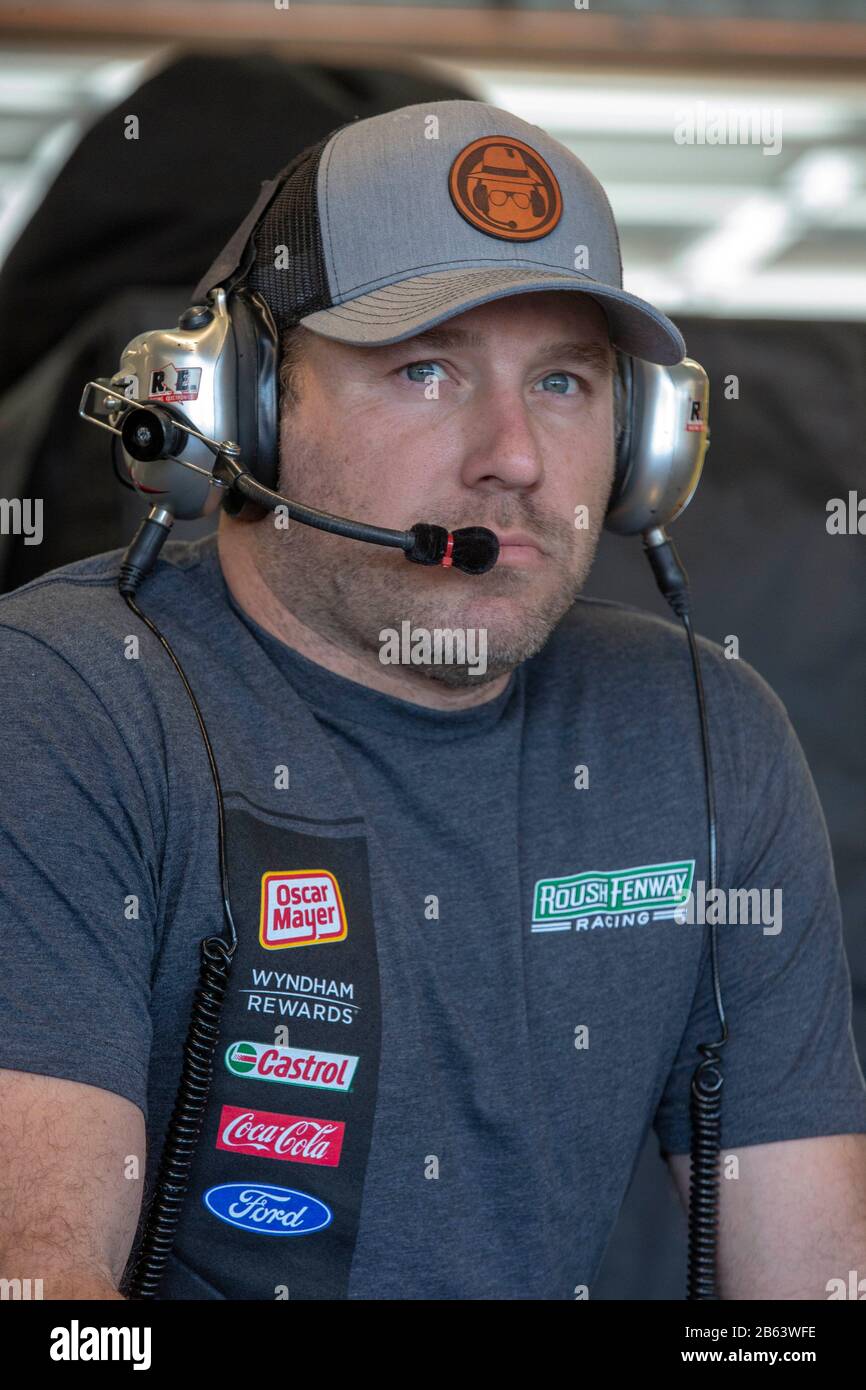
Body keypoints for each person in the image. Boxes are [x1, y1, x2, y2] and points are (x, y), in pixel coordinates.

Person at [0, 100, 864, 1303]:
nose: (511, 455)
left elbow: (810, 1295)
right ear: (237, 404)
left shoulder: (701, 733)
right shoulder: (64, 702)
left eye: (561, 381)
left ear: (648, 444)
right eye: (423, 369)